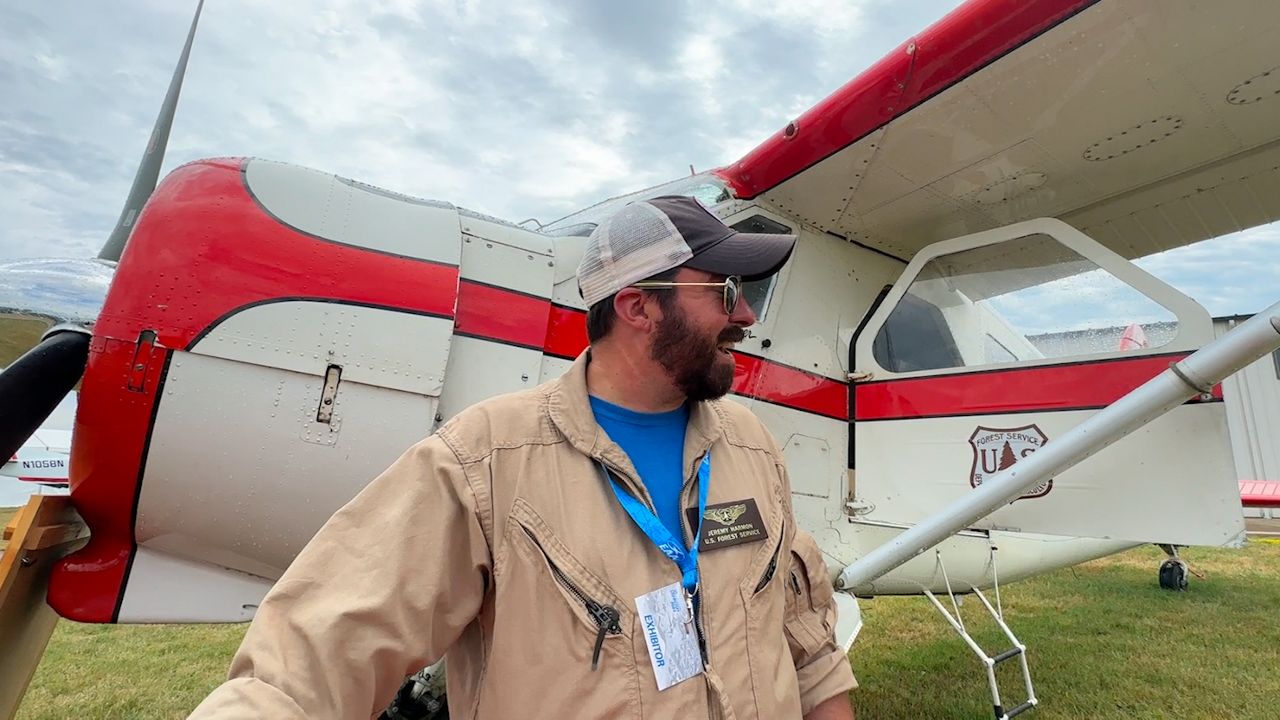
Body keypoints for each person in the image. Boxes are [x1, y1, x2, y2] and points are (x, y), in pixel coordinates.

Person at [189, 195, 857, 719]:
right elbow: (309, 666)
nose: (746, 316)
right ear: (637, 307)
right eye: (725, 291)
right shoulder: (482, 462)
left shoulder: (751, 445)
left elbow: (808, 646)